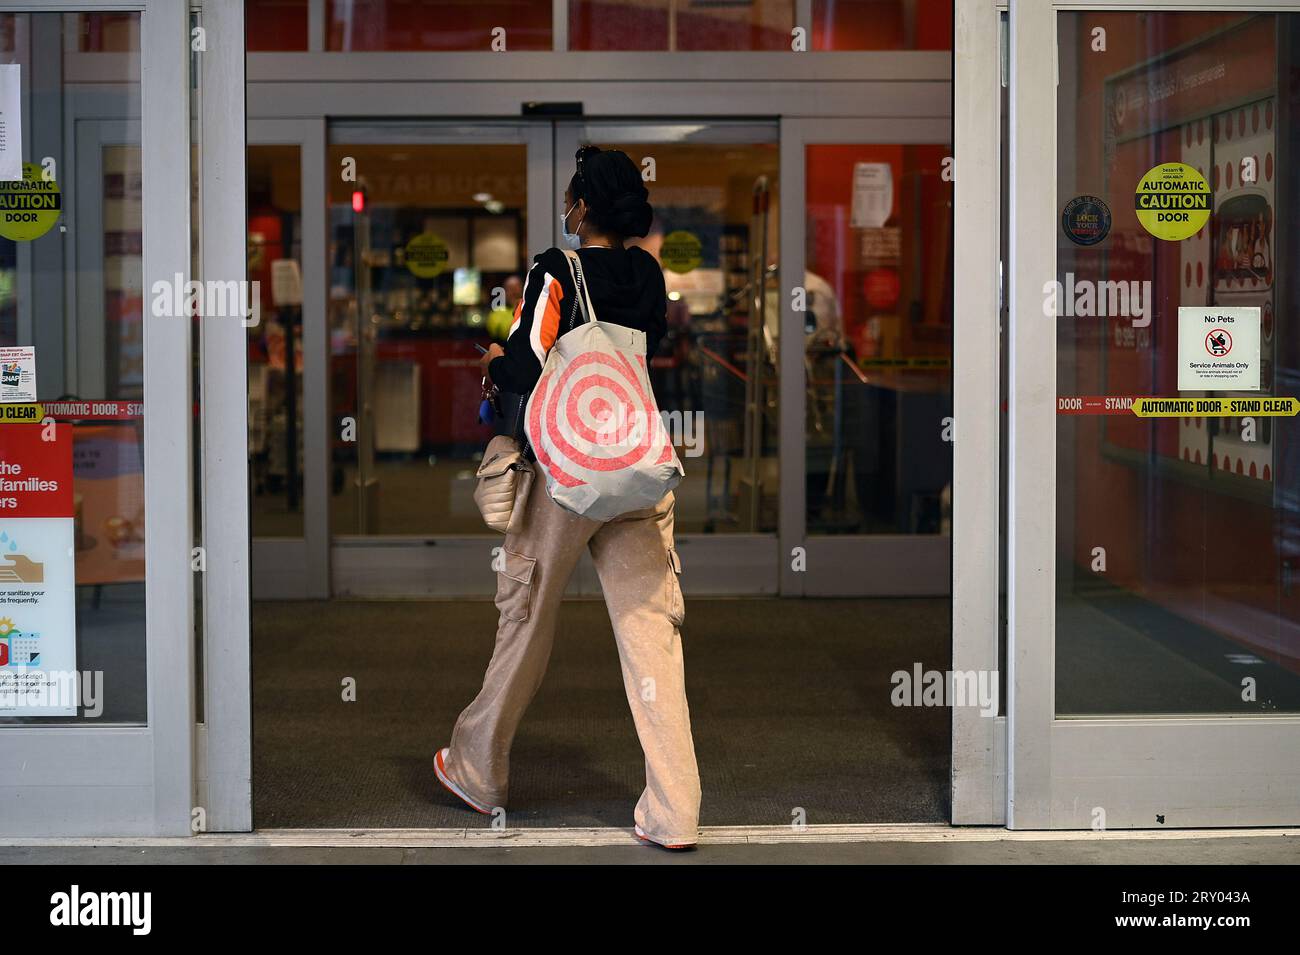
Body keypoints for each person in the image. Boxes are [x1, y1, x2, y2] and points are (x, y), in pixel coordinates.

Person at [435, 145, 702, 850]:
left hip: (567, 470)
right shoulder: (647, 273)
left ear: (585, 206)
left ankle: (477, 767)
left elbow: (525, 357)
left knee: (526, 615)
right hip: (639, 468)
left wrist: (493, 362)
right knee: (652, 636)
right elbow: (650, 348)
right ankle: (675, 810)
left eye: (571, 195)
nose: (565, 204)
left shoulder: (557, 266)